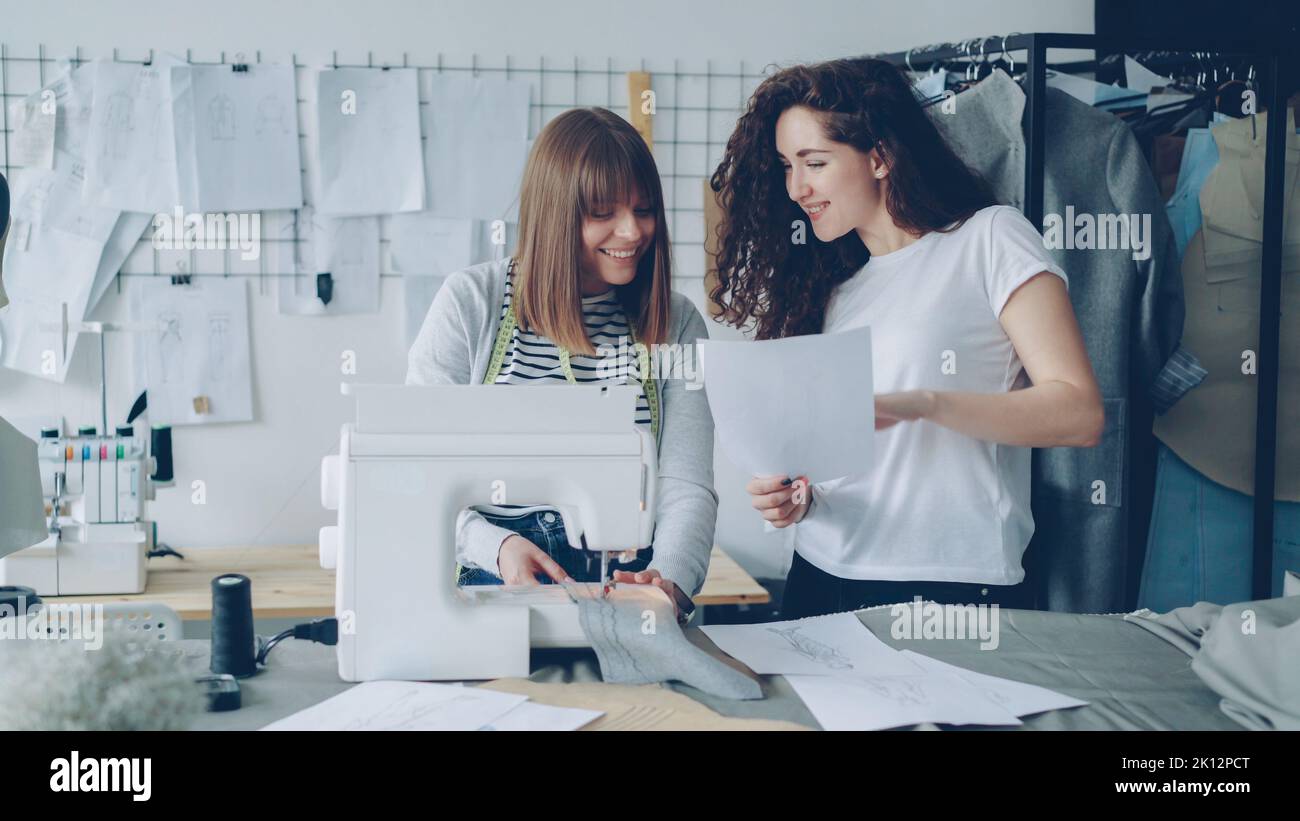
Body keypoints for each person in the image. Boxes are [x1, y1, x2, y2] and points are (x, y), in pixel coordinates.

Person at [709, 59, 1103, 618]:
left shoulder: (989, 238)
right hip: (822, 574)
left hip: (952, 585)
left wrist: (924, 404)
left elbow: (1079, 413)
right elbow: (855, 460)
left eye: (814, 163)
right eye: (786, 167)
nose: (797, 187)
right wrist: (801, 498)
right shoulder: (838, 286)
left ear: (879, 156)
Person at [407, 107, 716, 616]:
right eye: (603, 213)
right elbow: (417, 466)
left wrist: (671, 579)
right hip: (494, 574)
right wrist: (496, 548)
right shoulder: (471, 303)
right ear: (555, 213)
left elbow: (686, 482)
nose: (633, 232)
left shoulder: (676, 324)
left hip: (628, 579)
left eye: (643, 210)